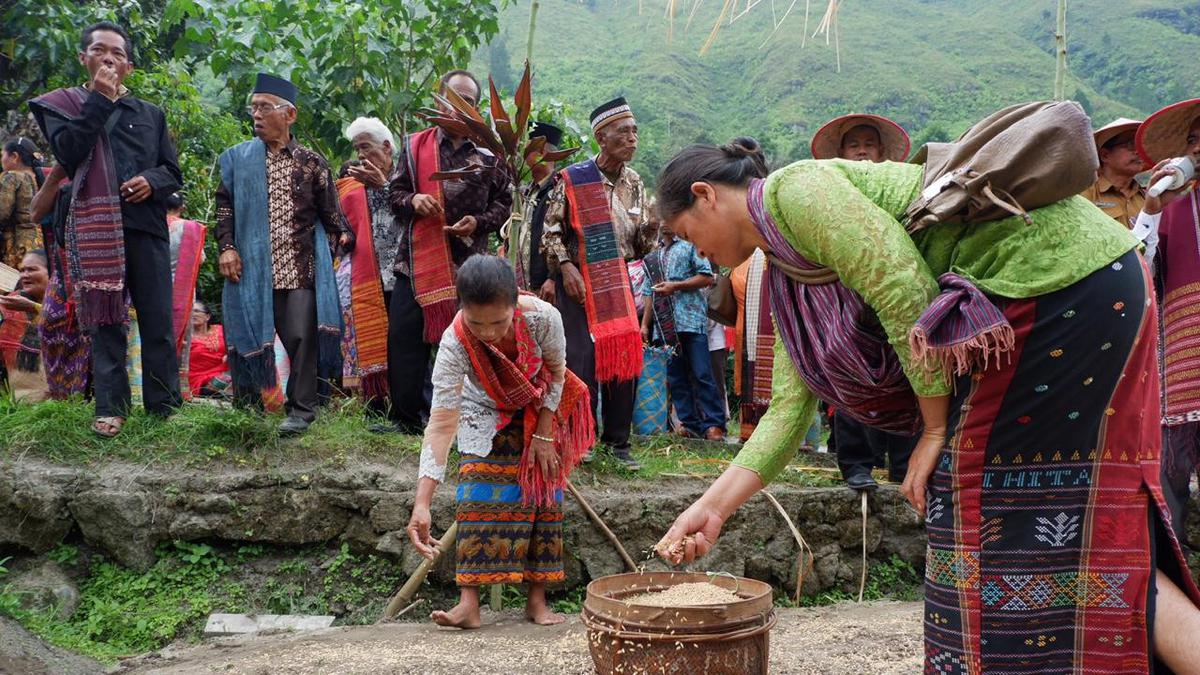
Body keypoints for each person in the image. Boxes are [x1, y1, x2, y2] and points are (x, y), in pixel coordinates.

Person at [652, 140, 1200, 673]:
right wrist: (712, 509)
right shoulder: (786, 268)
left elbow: (903, 290)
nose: (694, 251)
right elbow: (789, 412)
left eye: (685, 233)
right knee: (1080, 526)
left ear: (706, 195)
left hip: (1055, 284)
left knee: (971, 504)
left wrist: (935, 431)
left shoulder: (795, 190)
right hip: (1095, 283)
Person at [405, 255, 593, 629]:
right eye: (477, 323)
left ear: (515, 305)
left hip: (539, 399)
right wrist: (422, 504)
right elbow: (442, 424)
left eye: (498, 322)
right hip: (482, 405)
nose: (488, 333)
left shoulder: (543, 317)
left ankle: (537, 602)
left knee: (542, 495)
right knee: (474, 494)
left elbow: (556, 374)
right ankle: (468, 605)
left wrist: (543, 432)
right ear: (462, 311)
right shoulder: (455, 341)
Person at [29, 21, 183, 437]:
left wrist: (152, 181)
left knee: (157, 320)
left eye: (117, 53)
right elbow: (67, 153)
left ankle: (165, 408)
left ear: (129, 66)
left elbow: (173, 172)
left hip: (145, 227)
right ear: (84, 58)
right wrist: (99, 99)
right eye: (100, 50)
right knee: (106, 322)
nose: (109, 58)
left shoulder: (150, 114)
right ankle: (111, 408)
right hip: (92, 232)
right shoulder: (66, 105)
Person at [215, 73, 354, 435]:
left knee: (301, 337)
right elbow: (224, 208)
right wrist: (227, 247)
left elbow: (332, 215)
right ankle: (247, 407)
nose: (256, 115)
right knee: (246, 332)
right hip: (250, 268)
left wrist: (343, 238)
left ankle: (302, 410)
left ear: (289, 114)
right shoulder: (239, 160)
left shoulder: (312, 163)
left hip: (300, 267)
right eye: (253, 107)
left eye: (264, 107)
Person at [384, 69, 513, 434]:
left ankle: (465, 422)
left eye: (469, 101)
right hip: (416, 263)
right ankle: (406, 419)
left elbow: (504, 203)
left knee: (466, 344)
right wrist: (414, 199)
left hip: (469, 268)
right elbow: (393, 195)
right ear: (439, 101)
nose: (460, 107)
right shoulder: (414, 146)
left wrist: (478, 220)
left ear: (476, 109)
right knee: (405, 338)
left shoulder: (491, 155)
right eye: (453, 98)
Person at [540, 97, 653, 469]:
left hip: (617, 281)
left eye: (635, 131)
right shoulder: (572, 179)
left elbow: (637, 246)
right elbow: (551, 232)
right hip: (579, 281)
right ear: (601, 138)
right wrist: (566, 268)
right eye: (624, 131)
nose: (633, 138)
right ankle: (579, 440)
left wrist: (653, 227)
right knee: (579, 359)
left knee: (624, 355)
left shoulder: (635, 183)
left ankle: (618, 442)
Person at [811, 113, 918, 490]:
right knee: (851, 372)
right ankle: (856, 464)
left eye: (867, 144)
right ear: (840, 152)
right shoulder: (828, 192)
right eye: (852, 145)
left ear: (881, 151)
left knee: (908, 372)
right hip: (846, 293)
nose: (861, 152)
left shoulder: (899, 190)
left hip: (895, 291)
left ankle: (905, 465)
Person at [1133, 98, 1200, 547]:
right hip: (1182, 368)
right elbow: (1136, 264)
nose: (1198, 149)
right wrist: (1153, 206)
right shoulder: (1171, 209)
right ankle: (1169, 586)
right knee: (1171, 473)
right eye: (1194, 141)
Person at [640, 216, 725, 441]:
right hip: (664, 325)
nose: (665, 222)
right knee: (676, 376)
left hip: (691, 320)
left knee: (702, 373)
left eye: (669, 217)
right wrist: (644, 326)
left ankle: (714, 424)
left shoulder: (690, 245)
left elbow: (707, 277)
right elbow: (649, 291)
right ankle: (690, 424)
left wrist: (676, 286)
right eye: (661, 217)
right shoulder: (653, 256)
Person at [335, 122, 392, 399]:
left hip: (401, 274)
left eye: (365, 147)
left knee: (402, 341)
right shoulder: (350, 188)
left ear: (387, 147)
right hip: (365, 275)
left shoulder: (406, 178)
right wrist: (344, 235)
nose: (361, 155)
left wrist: (383, 187)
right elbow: (341, 223)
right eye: (357, 149)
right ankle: (374, 401)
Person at [516, 121, 565, 299]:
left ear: (541, 153)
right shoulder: (527, 190)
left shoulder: (559, 189)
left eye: (528, 149)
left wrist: (552, 277)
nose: (523, 155)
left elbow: (566, 235)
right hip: (525, 282)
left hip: (546, 286)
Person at [167, 192, 207, 396]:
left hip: (151, 289)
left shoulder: (151, 225)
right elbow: (199, 261)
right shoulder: (190, 228)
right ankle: (179, 390)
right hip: (181, 291)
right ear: (181, 207)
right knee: (182, 338)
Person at [0, 250, 50, 401]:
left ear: (53, 273)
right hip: (17, 411)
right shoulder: (6, 308)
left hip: (68, 410)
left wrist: (36, 308)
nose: (25, 275)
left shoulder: (72, 307)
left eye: (32, 269)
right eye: (22, 270)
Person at [1082, 118, 1148, 229]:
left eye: (1140, 145)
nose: (1138, 151)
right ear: (1105, 155)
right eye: (1131, 145)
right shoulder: (1085, 195)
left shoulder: (1146, 197)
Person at [0, 137, 46, 268]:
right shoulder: (42, 178)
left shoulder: (12, 177)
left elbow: (2, 213)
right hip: (42, 245)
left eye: (3, 155)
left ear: (14, 156)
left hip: (18, 246)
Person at [187, 301, 230, 397]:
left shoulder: (220, 329)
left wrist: (230, 354)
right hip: (199, 378)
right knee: (217, 385)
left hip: (226, 369)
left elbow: (234, 344)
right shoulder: (185, 338)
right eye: (190, 311)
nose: (193, 314)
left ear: (207, 317)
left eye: (197, 311)